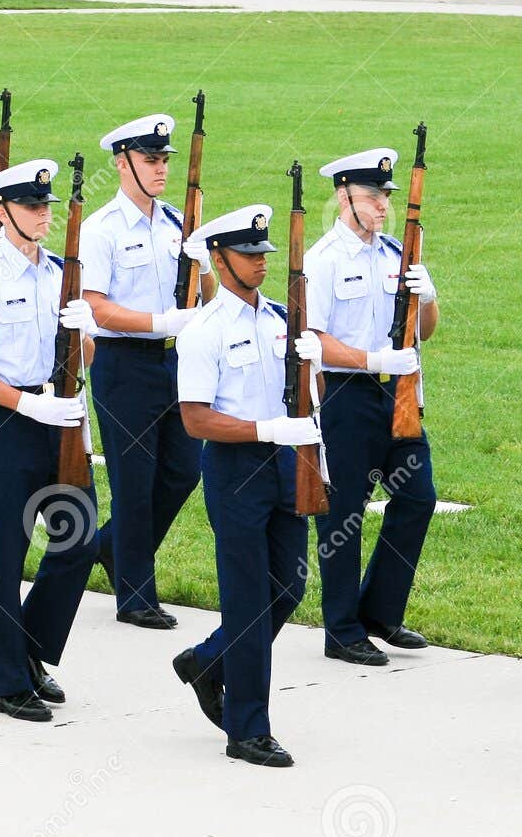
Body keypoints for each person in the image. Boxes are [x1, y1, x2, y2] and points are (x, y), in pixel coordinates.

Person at [0, 159, 100, 723]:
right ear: (2, 213)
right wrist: (25, 402)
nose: (43, 216)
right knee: (8, 560)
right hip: (8, 423)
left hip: (60, 416)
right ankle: (9, 683)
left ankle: (30, 649)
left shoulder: (61, 274)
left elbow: (82, 358)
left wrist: (86, 334)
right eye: (32, 207)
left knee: (79, 542)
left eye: (46, 207)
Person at [172, 206, 322, 768]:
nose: (260, 264)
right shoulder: (205, 332)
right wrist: (266, 429)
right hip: (236, 471)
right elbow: (195, 419)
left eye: (263, 255)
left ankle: (210, 661)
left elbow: (312, 395)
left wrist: (315, 366)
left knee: (288, 587)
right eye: (248, 255)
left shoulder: (284, 319)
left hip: (286, 464)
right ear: (219, 259)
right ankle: (247, 729)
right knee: (247, 596)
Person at [80, 113, 217, 630]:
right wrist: (162, 320)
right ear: (122, 164)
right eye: (149, 159)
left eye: (164, 160)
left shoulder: (180, 223)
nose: (160, 169)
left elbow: (204, 299)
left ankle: (115, 548)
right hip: (124, 365)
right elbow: (95, 307)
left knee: (184, 470)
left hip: (176, 362)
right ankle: (135, 595)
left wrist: (203, 269)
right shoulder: (102, 230)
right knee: (134, 481)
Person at [303, 149, 438, 666]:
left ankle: (380, 612)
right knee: (344, 512)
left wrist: (427, 299)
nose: (383, 205)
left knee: (418, 497)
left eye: (386, 196)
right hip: (345, 396)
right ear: (344, 196)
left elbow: (423, 332)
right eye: (373, 196)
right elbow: (312, 337)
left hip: (398, 396)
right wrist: (372, 357)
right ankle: (340, 628)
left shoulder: (394, 254)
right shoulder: (323, 260)